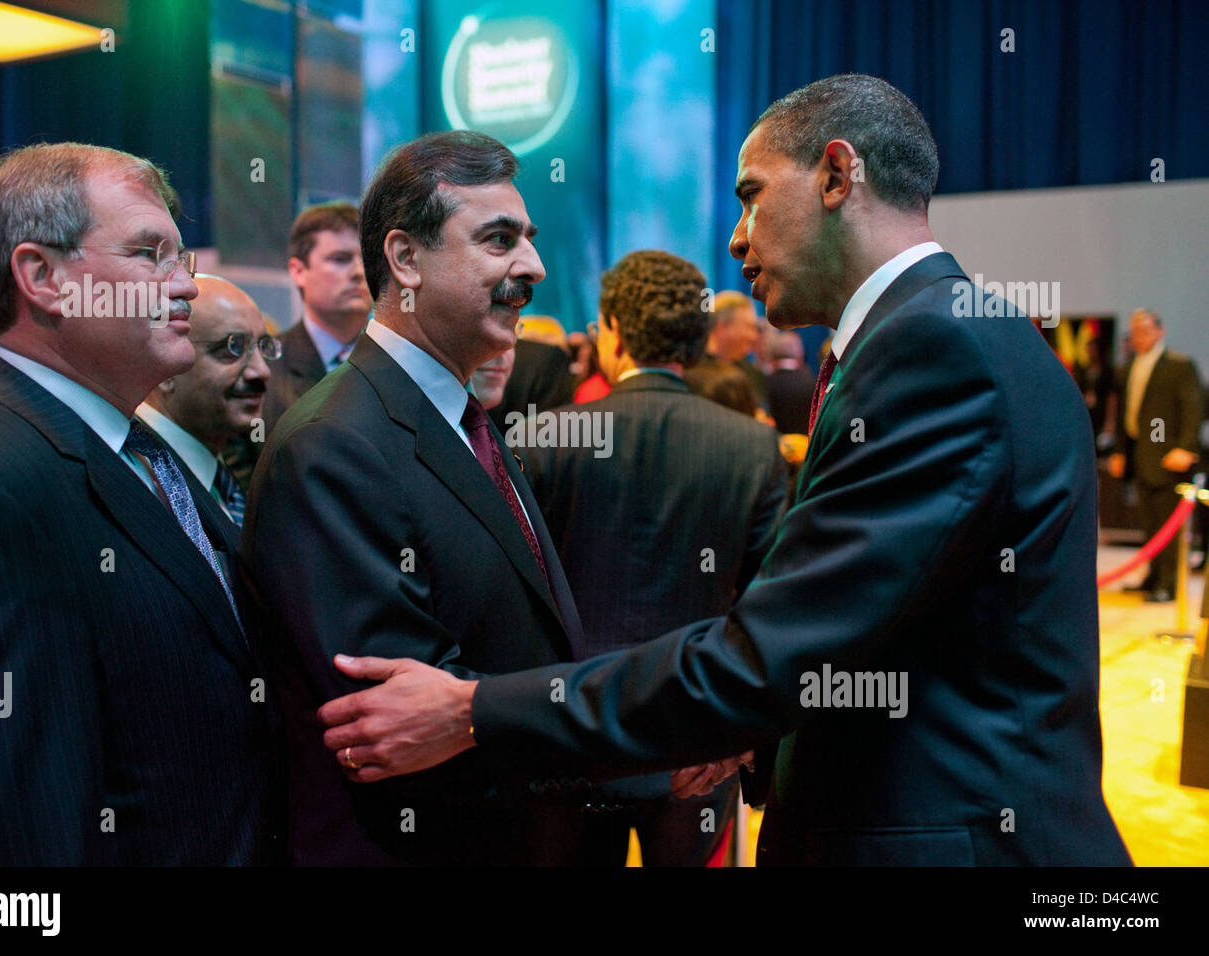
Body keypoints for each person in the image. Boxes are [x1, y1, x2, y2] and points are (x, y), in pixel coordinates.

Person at [318, 74, 1131, 866]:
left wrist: (473, 710)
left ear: (837, 175)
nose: (737, 235)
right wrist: (752, 724)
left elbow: (772, 652)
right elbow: (875, 633)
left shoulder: (933, 349)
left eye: (751, 194)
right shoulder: (946, 331)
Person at [0, 143, 278, 864]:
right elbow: (2, 836)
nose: (185, 288)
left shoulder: (130, 436)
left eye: (184, 261)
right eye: (150, 254)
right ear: (42, 277)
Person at [241, 130, 597, 866]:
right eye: (498, 241)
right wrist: (650, 750)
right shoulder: (335, 445)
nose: (530, 266)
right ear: (405, 260)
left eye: (526, 239)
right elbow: (401, 726)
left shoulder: (462, 421)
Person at [519, 249, 785, 865]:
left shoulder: (544, 437)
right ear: (696, 338)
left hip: (571, 733)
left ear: (611, 329)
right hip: (695, 739)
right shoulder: (751, 445)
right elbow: (766, 600)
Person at [137, 274, 277, 527]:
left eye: (263, 347)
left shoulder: (227, 472)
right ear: (164, 367)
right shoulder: (137, 479)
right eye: (233, 347)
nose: (261, 370)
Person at [1107, 309, 1203, 602]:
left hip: (1168, 455)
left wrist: (1186, 447)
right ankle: (1153, 576)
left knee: (1168, 523)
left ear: (1159, 332)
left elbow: (1193, 408)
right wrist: (1120, 451)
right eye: (1135, 332)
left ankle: (1169, 583)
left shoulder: (1178, 366)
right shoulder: (1127, 367)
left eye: (1146, 331)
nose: (1140, 337)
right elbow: (1124, 414)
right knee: (1148, 521)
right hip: (1140, 455)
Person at [261, 201, 372, 437]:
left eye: (367, 259)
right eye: (341, 259)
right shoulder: (263, 368)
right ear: (299, 271)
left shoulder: (399, 361)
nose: (359, 272)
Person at [706, 289, 767, 409]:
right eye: (749, 327)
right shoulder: (693, 374)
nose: (754, 336)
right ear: (722, 328)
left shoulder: (753, 374)